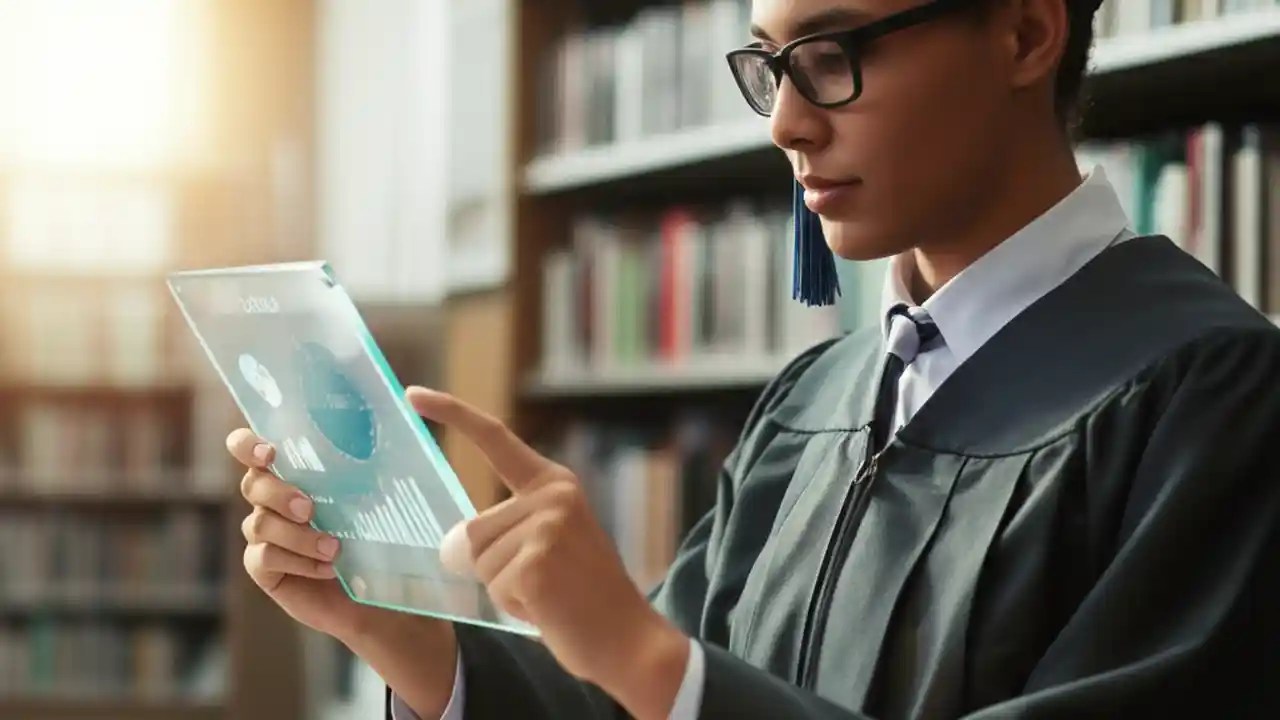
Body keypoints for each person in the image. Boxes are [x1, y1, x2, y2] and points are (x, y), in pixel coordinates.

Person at [226, 0, 1280, 717]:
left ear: (1021, 31)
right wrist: (393, 628)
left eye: (829, 58)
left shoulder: (1213, 396)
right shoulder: (810, 403)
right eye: (769, 68)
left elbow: (666, 681)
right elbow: (641, 704)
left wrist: (649, 659)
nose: (784, 122)